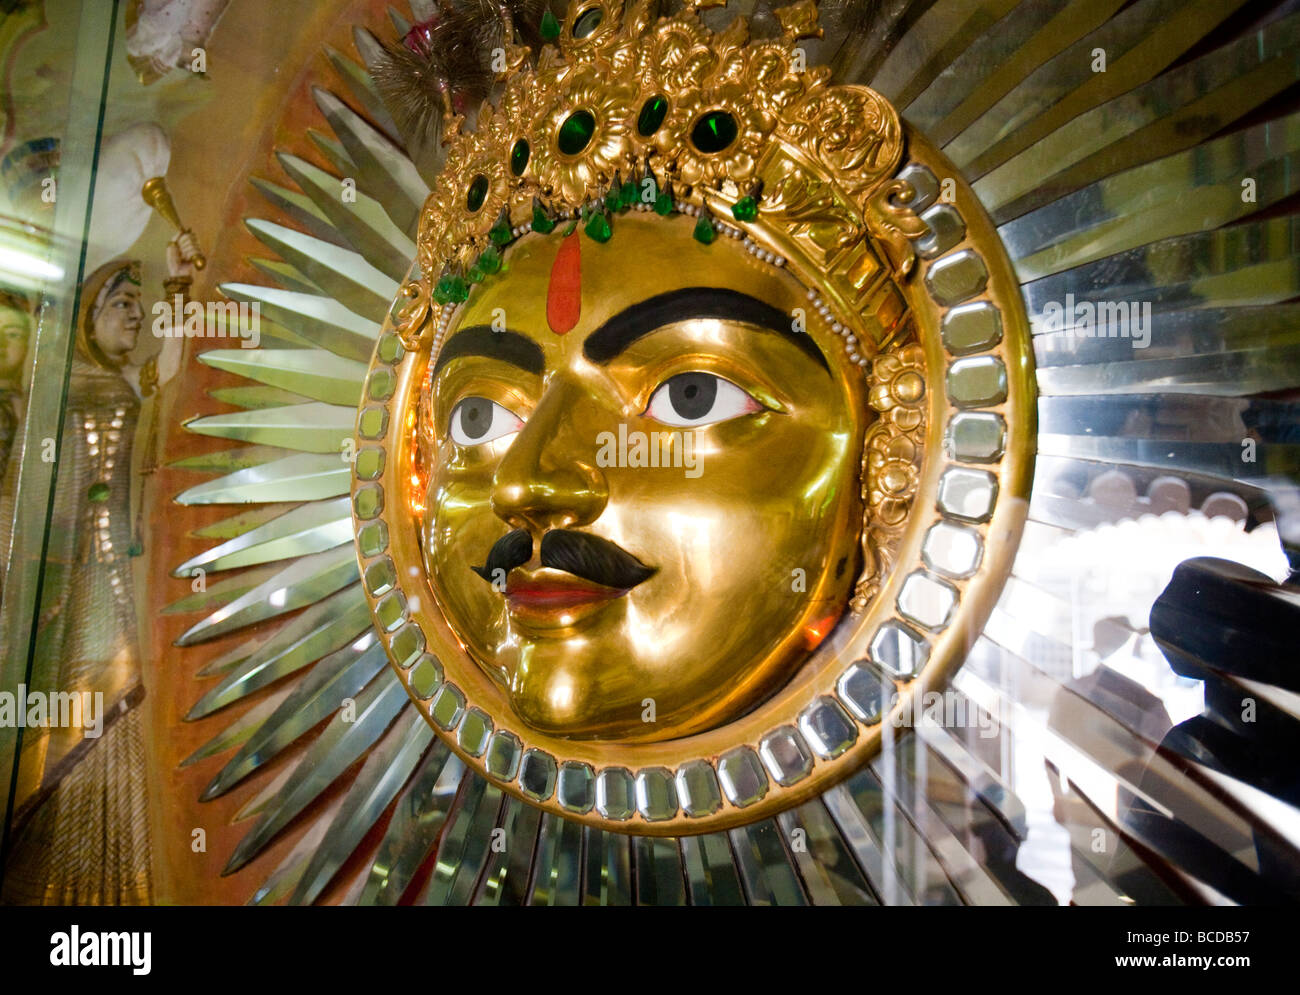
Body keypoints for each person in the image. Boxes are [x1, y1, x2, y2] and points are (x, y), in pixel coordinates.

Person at [2, 232, 198, 905]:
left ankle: (117, 890)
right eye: (122, 302)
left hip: (119, 581)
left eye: (138, 304)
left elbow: (169, 361)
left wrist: (178, 285)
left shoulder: (128, 385)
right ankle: (64, 890)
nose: (135, 315)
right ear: (90, 317)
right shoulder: (61, 393)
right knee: (81, 719)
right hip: (79, 587)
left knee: (122, 711)